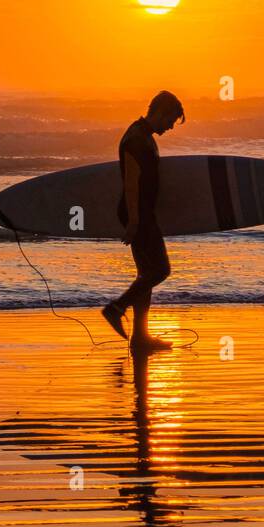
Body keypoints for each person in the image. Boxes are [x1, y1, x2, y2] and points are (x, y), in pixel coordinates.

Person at [101, 90, 184, 351]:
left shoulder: (143, 135)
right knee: (161, 271)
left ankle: (140, 338)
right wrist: (135, 221)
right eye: (171, 119)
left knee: (146, 275)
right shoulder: (136, 139)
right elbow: (131, 184)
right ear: (160, 112)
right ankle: (116, 308)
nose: (171, 126)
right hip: (137, 212)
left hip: (141, 212)